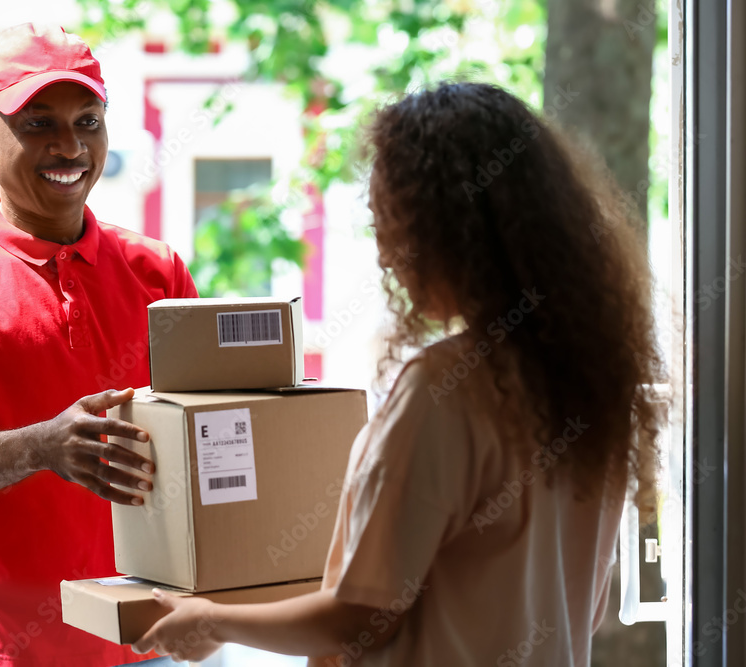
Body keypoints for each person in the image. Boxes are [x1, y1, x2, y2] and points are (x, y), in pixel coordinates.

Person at [132, 82, 665, 666]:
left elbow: (361, 618)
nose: (386, 255)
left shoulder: (446, 387)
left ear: (446, 229)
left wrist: (212, 621)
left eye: (389, 221)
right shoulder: (588, 383)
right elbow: (573, 602)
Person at [0, 23, 197, 667]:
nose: (70, 146)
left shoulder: (157, 270)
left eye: (88, 121)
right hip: (5, 649)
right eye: (39, 123)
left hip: (147, 643)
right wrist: (42, 447)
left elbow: (204, 436)